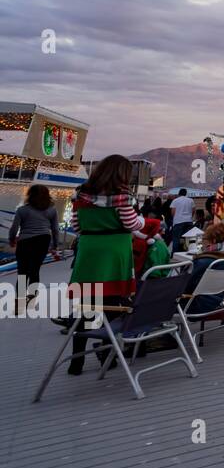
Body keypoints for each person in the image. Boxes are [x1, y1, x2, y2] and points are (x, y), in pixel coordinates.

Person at [67, 155, 144, 375]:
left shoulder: (81, 194)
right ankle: (107, 356)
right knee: (112, 307)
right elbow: (131, 224)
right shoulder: (122, 196)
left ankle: (76, 361)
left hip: (89, 253)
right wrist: (144, 222)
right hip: (115, 253)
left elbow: (77, 226)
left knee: (85, 307)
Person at [8, 184, 59, 300]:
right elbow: (55, 229)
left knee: (22, 272)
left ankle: (19, 301)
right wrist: (55, 245)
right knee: (35, 270)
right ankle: (31, 298)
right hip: (43, 240)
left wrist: (11, 240)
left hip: (25, 241)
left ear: (30, 194)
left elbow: (14, 228)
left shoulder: (22, 210)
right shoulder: (52, 210)